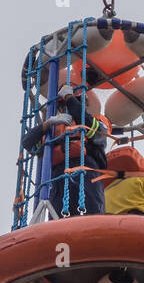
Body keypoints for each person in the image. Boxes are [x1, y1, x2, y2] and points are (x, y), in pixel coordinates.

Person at [22, 85, 109, 215]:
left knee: (91, 215)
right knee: (58, 218)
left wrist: (69, 98)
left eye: (73, 103)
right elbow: (28, 142)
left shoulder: (95, 122)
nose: (66, 108)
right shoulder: (53, 132)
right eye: (62, 105)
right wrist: (47, 124)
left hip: (86, 176)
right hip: (59, 181)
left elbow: (93, 129)